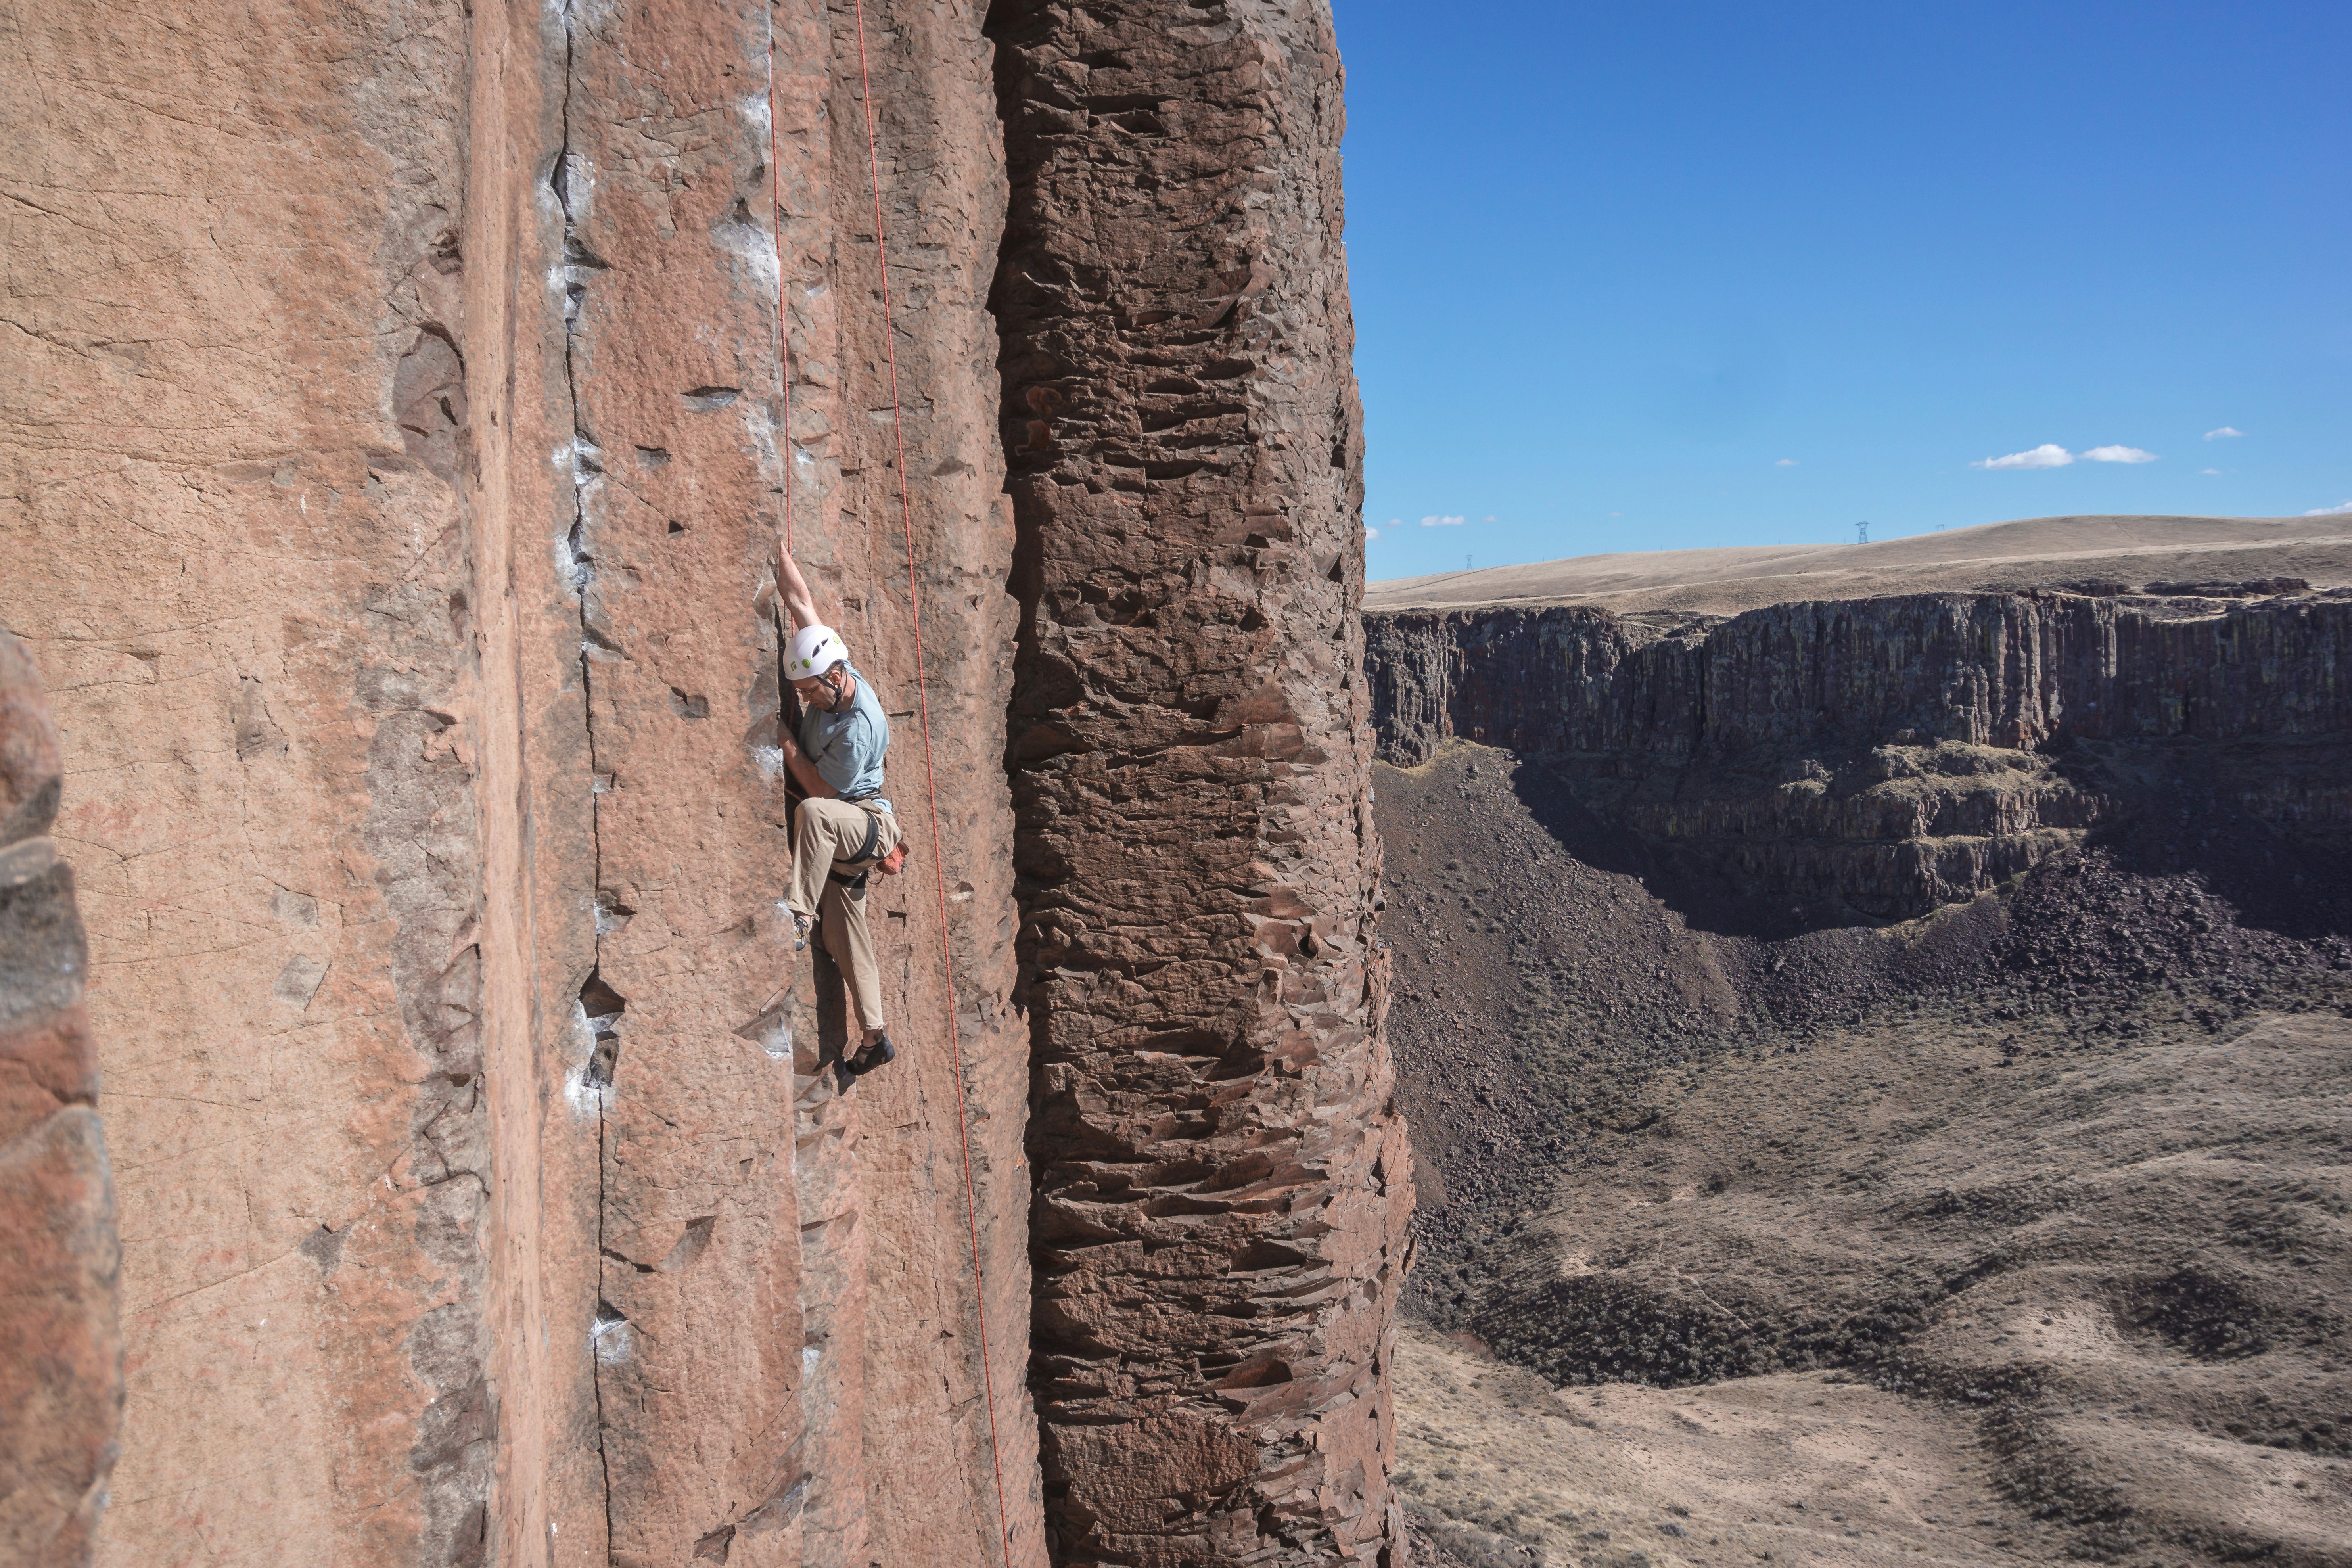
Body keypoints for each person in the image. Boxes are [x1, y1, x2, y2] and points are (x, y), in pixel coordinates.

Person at [774, 537, 906, 1081]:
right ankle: (875, 1035)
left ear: (832, 679)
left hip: (866, 825)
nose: (804, 700)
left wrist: (786, 746)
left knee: (814, 817)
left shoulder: (860, 729)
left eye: (809, 693)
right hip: (844, 844)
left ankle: (798, 915)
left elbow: (823, 796)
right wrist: (779, 555)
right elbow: (802, 603)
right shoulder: (830, 660)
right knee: (845, 939)